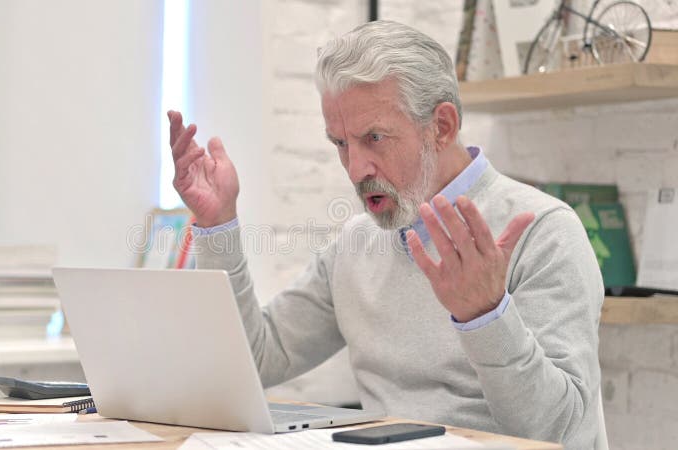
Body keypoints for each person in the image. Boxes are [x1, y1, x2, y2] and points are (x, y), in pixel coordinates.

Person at [167, 20, 602, 450]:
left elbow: (557, 431)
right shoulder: (356, 243)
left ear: (442, 126)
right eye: (340, 144)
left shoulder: (543, 232)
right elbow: (257, 359)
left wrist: (485, 315)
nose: (356, 169)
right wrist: (217, 223)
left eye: (374, 138)